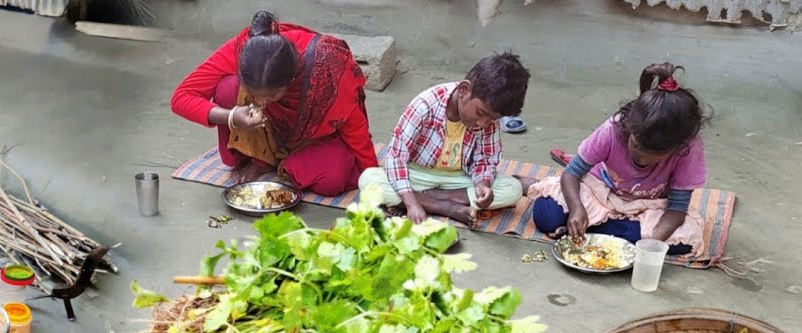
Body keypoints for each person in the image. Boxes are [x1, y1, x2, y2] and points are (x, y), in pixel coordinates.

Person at [170, 10, 379, 196]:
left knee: (332, 179)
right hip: (263, 131)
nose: (261, 102)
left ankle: (282, 163)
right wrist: (232, 117)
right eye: (254, 94)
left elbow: (355, 130)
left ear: (291, 81)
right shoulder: (244, 49)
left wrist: (375, 180)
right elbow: (181, 98)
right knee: (227, 88)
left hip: (312, 137)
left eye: (270, 96)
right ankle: (261, 161)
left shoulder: (328, 70)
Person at [527, 63, 710, 256]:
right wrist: (576, 209)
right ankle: (600, 227)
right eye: (637, 146)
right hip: (600, 193)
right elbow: (572, 173)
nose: (641, 157)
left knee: (686, 240)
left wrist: (651, 243)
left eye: (654, 154)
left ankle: (595, 228)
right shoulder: (613, 129)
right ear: (629, 127)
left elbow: (677, 209)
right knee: (547, 215)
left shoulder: (688, 147)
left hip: (647, 207)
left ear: (676, 148)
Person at [359, 52, 530, 225]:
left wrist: (482, 185)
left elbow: (485, 161)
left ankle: (430, 199)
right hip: (418, 175)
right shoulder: (425, 105)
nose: (483, 123)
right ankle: (446, 208)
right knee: (368, 180)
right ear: (464, 90)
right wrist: (410, 203)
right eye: (480, 113)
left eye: (492, 118)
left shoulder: (488, 120)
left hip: (458, 180)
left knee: (513, 189)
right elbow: (396, 158)